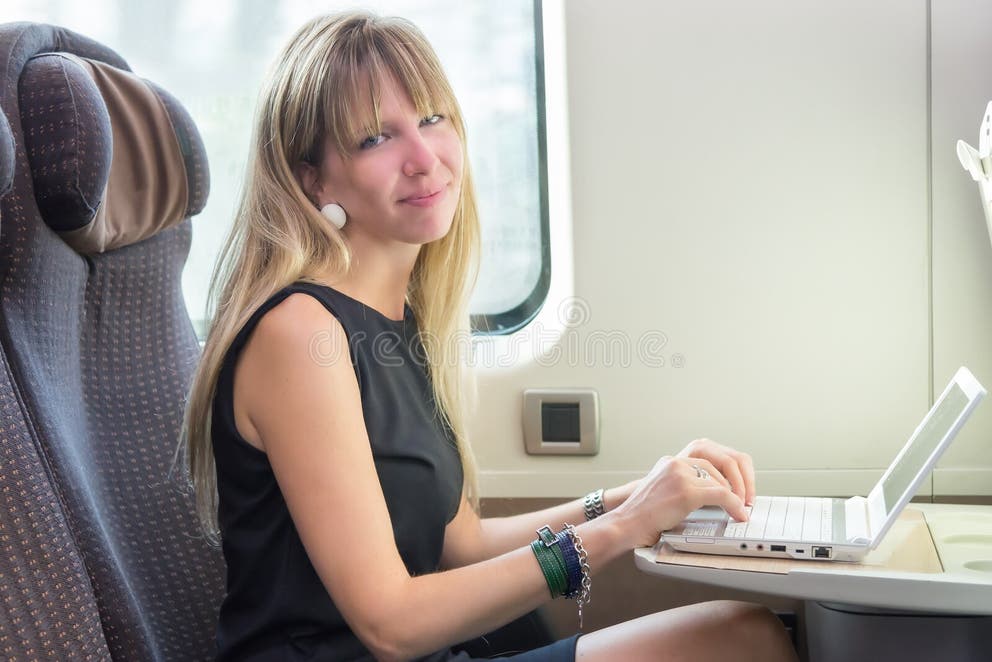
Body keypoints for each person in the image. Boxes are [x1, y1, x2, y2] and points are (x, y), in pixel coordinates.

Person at [182, 11, 799, 662]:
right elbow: (390, 624)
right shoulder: (299, 334)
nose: (424, 160)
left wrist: (641, 494)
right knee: (744, 639)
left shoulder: (396, 321)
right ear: (314, 179)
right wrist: (623, 528)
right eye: (374, 139)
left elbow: (463, 545)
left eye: (431, 119)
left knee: (749, 632)